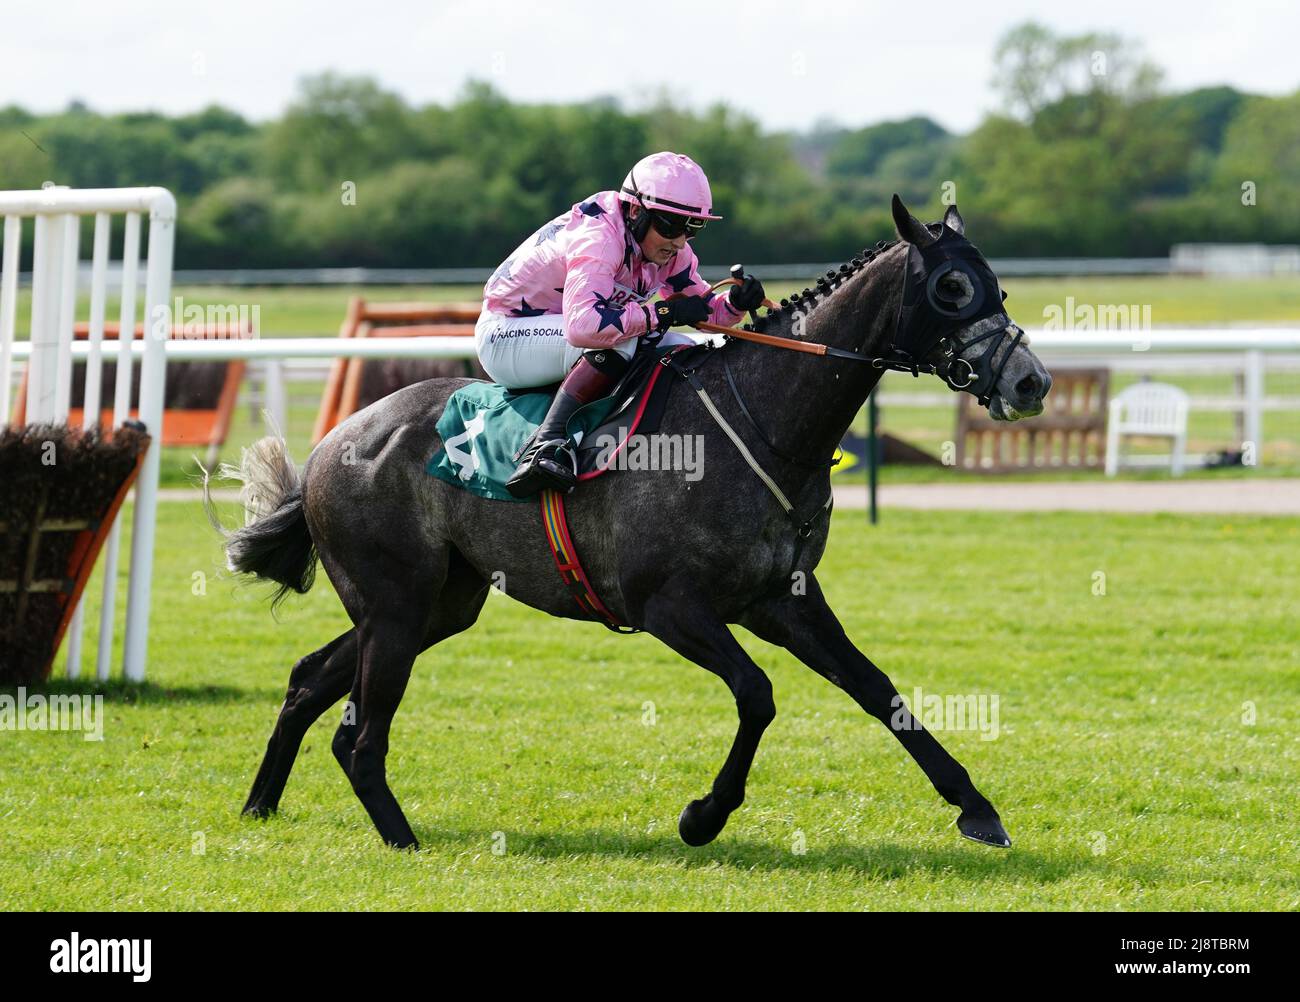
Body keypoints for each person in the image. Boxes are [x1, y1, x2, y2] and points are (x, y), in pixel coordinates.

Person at [475, 150, 765, 498]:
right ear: (635, 211)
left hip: (561, 336)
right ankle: (547, 443)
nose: (678, 240)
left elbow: (705, 313)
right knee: (621, 339)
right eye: (670, 225)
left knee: (685, 348)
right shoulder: (599, 238)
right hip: (507, 337)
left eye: (692, 228)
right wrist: (663, 314)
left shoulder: (671, 250)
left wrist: (734, 304)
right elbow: (585, 326)